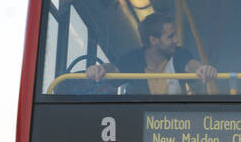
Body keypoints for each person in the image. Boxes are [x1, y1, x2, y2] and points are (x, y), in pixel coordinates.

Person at [85, 11, 216, 95]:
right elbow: (114, 68)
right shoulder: (134, 59)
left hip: (175, 124)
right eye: (170, 36)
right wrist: (99, 69)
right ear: (153, 40)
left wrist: (202, 69)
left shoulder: (179, 54)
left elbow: (190, 64)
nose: (176, 40)